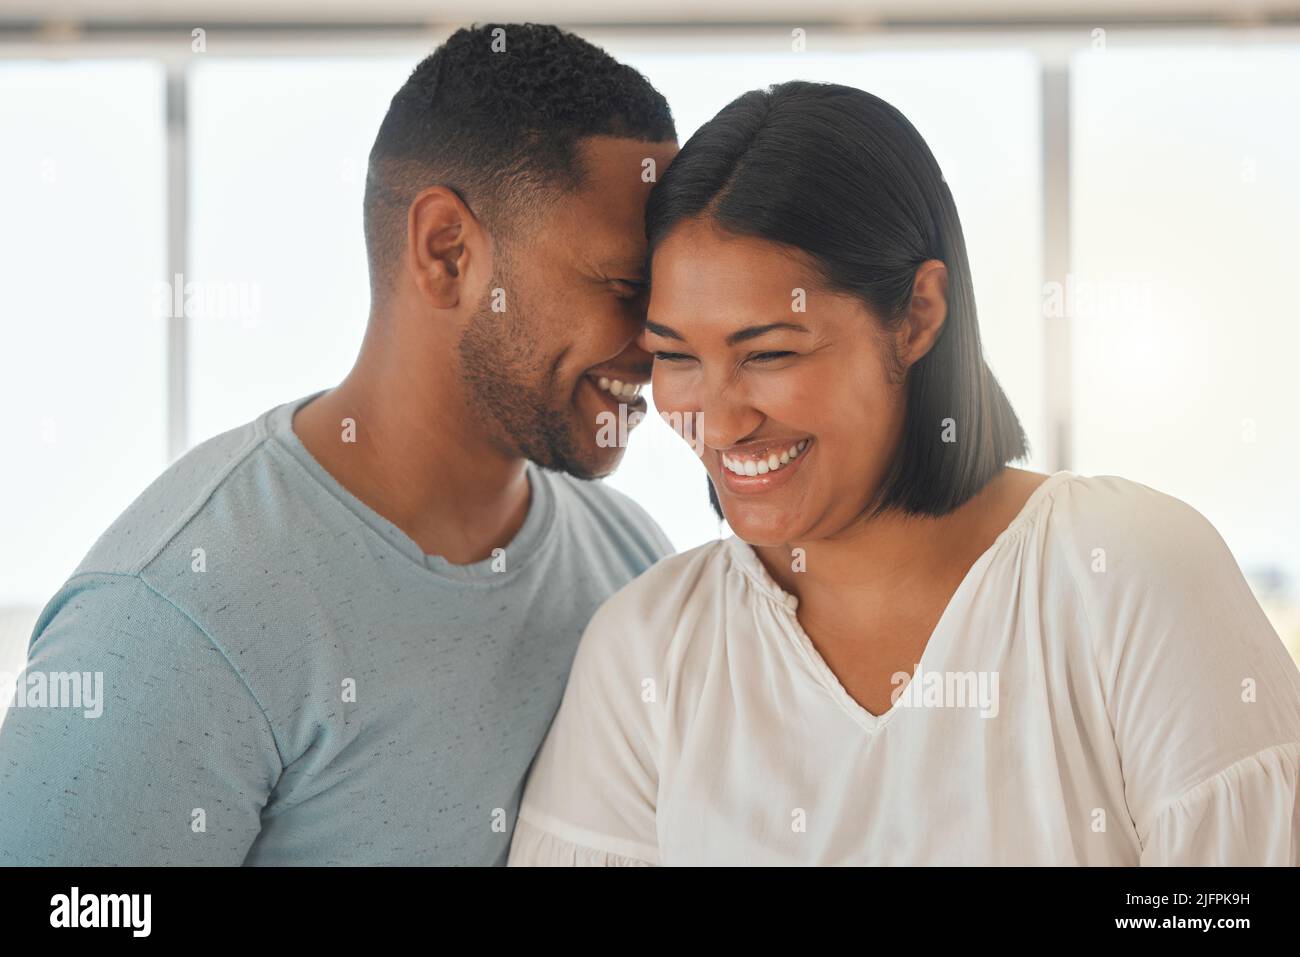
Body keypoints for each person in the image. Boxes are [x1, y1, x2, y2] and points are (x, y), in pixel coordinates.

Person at [508, 80, 1300, 866]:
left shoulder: (1125, 570)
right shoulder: (648, 650)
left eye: (771, 352)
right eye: (676, 355)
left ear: (918, 314)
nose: (716, 420)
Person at [0, 23, 678, 865]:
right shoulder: (175, 612)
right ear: (447, 253)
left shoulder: (632, 565)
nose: (661, 339)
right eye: (624, 285)